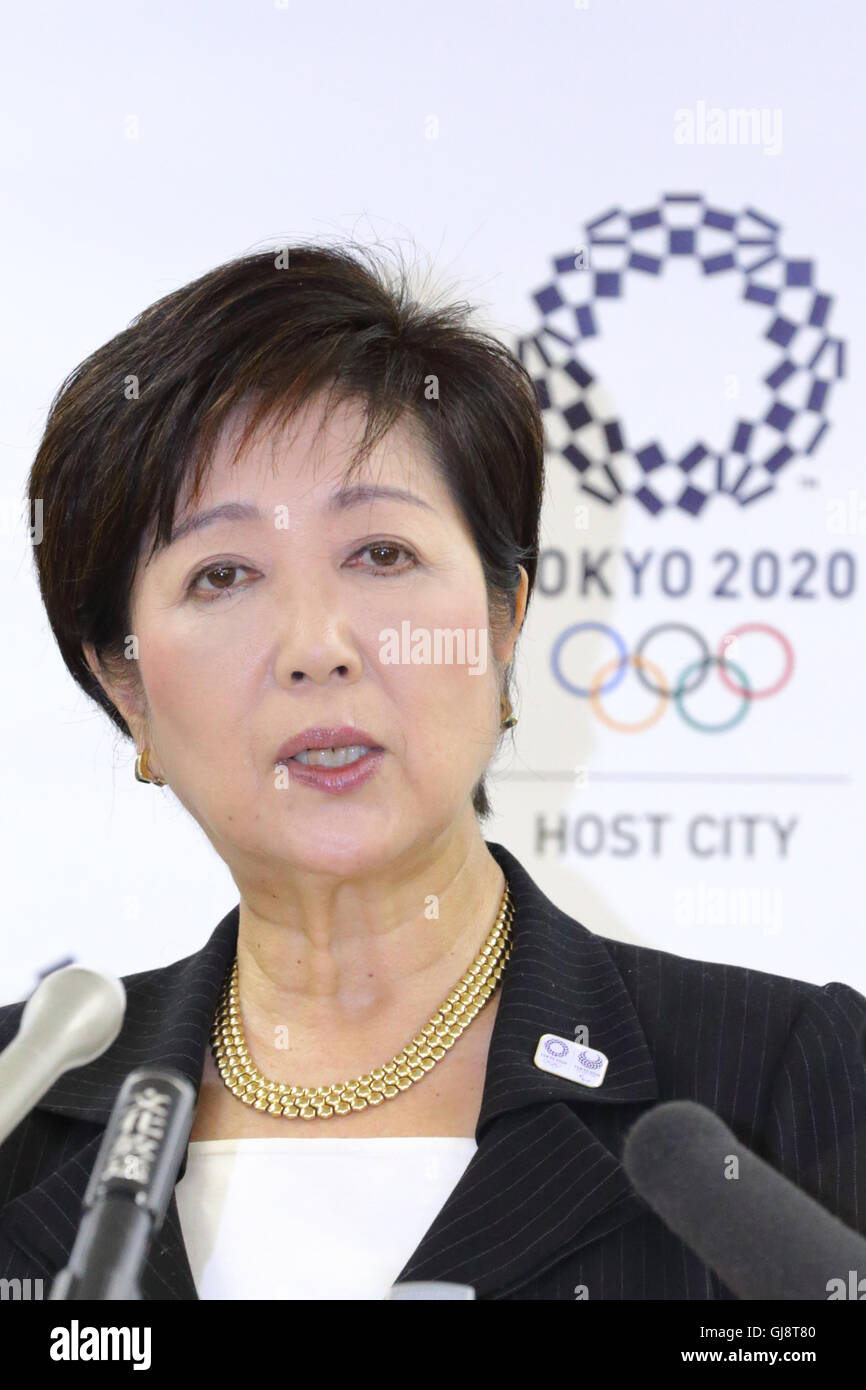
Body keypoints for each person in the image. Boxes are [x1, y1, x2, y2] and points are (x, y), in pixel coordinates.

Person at [0, 244, 863, 1300]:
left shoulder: (779, 1077)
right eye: (221, 575)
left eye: (380, 554)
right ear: (127, 687)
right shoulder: (24, 1112)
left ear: (504, 620)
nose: (316, 645)